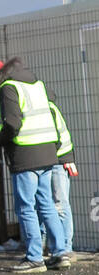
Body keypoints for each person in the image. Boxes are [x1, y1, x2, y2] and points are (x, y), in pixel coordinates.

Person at [0, 57, 70, 272]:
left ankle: (34, 257)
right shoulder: (35, 83)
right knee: (46, 204)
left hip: (25, 154)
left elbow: (13, 123)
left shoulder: (8, 87)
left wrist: (2, 141)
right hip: (48, 153)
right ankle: (60, 253)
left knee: (26, 207)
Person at [48, 98, 77, 256]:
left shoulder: (48, 109)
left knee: (60, 205)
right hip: (59, 159)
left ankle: (65, 247)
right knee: (59, 204)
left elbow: (55, 138)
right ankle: (62, 246)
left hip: (58, 160)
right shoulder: (50, 107)